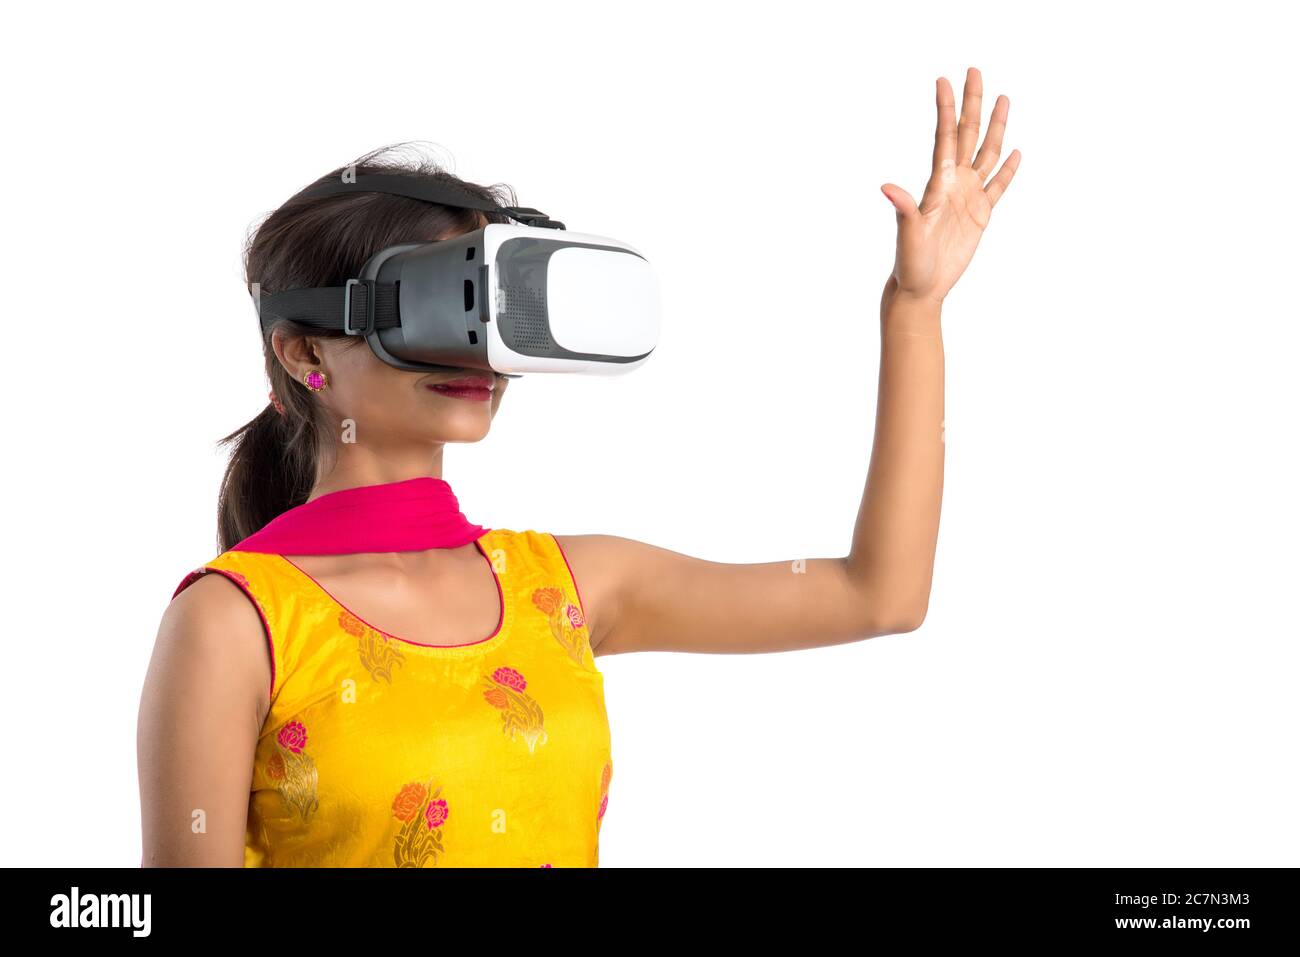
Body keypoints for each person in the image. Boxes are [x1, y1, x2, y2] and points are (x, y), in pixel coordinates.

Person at [137, 67, 1020, 867]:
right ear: (304, 355)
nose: (477, 344)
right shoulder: (232, 622)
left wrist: (915, 308)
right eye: (444, 297)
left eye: (495, 296)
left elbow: (881, 594)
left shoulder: (562, 586)